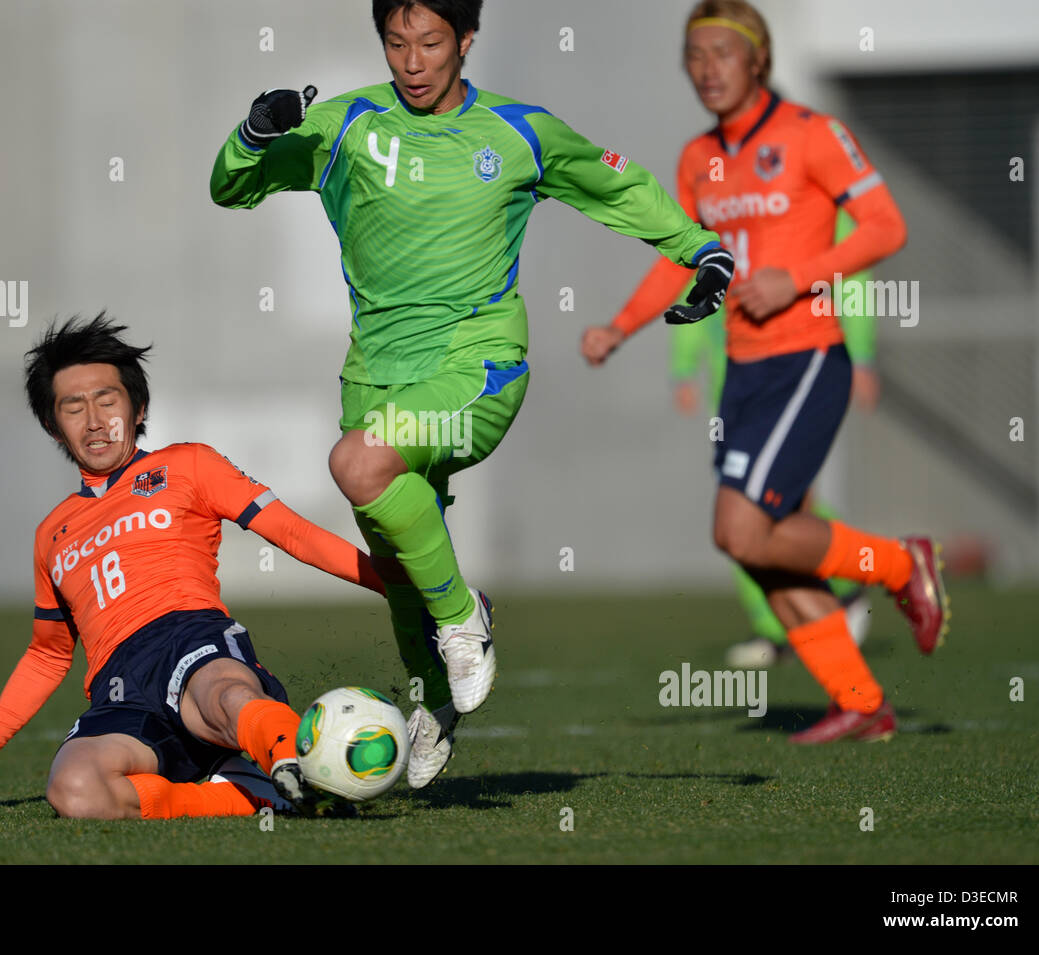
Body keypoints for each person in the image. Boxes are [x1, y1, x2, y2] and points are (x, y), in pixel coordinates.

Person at [210, 0, 732, 786]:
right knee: (397, 570)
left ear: (466, 41)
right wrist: (252, 133)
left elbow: (616, 187)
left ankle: (466, 617)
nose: (412, 62)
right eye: (396, 43)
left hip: (479, 363)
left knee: (357, 466)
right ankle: (435, 704)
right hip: (374, 376)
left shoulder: (519, 131)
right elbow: (230, 187)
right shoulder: (347, 126)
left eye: (430, 43)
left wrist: (704, 251)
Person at [581, 0, 948, 742]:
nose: (707, 68)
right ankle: (863, 702)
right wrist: (621, 325)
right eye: (694, 54)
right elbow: (677, 258)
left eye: (723, 51)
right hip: (742, 374)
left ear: (759, 59)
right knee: (751, 543)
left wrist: (799, 278)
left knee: (744, 530)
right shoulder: (696, 159)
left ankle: (901, 563)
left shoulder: (813, 134)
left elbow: (886, 225)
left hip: (808, 358)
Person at [0, 315, 386, 819]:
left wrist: (399, 585)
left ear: (139, 409)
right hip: (119, 688)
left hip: (189, 638)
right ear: (53, 425)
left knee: (223, 692)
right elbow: (47, 657)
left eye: (107, 400)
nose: (94, 420)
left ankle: (299, 768)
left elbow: (294, 533)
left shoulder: (188, 465)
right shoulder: (51, 533)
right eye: (73, 406)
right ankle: (249, 794)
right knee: (74, 789)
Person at [647, 209, 877, 668]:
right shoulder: (718, 198)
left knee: (758, 509)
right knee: (754, 516)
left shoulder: (813, 200)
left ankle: (865, 575)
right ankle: (819, 605)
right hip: (734, 388)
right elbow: (692, 274)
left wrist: (863, 353)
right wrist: (684, 364)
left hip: (795, 377)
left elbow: (854, 277)